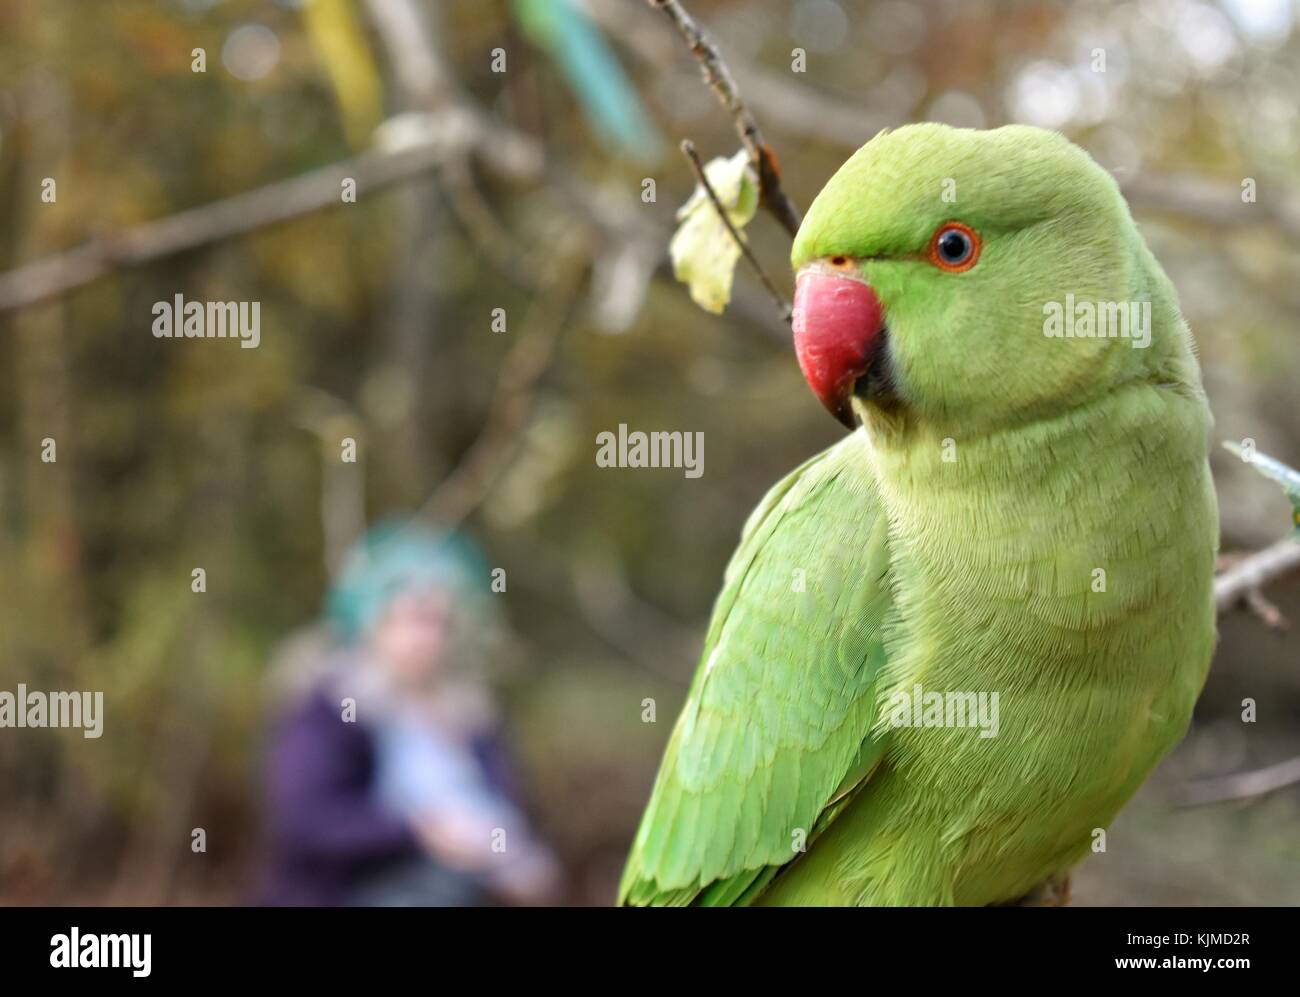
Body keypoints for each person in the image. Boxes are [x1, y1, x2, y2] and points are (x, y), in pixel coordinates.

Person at [259, 521, 559, 906]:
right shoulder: (334, 707)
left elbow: (505, 812)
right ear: (374, 620)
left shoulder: (472, 716)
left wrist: (514, 860)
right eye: (410, 619)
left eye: (437, 622)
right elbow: (306, 822)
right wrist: (419, 832)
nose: (423, 638)